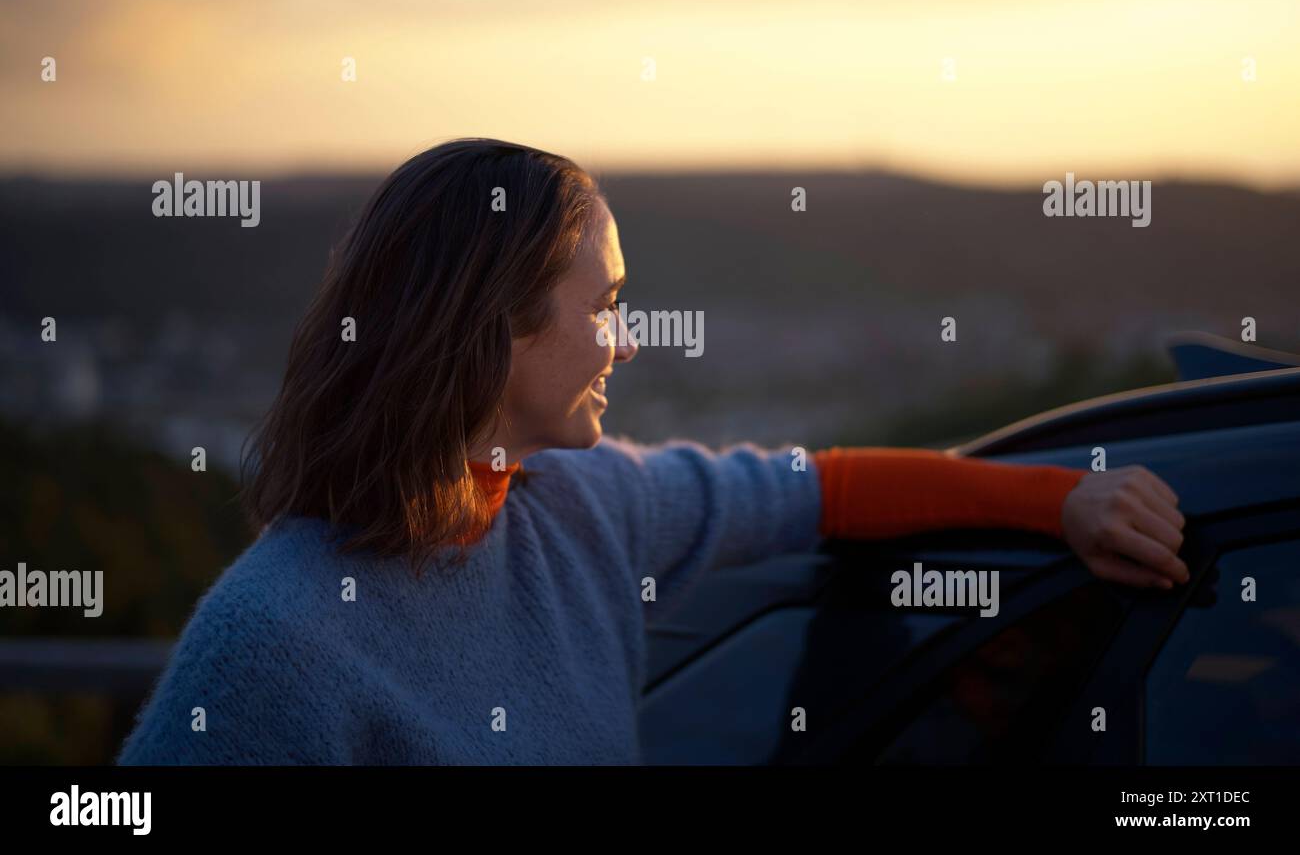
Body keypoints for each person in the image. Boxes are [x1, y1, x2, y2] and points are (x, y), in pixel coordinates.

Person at [116, 138, 1187, 765]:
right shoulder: (272, 641)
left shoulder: (586, 506)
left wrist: (1063, 502)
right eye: (608, 303)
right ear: (492, 323)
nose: (628, 339)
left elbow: (824, 490)